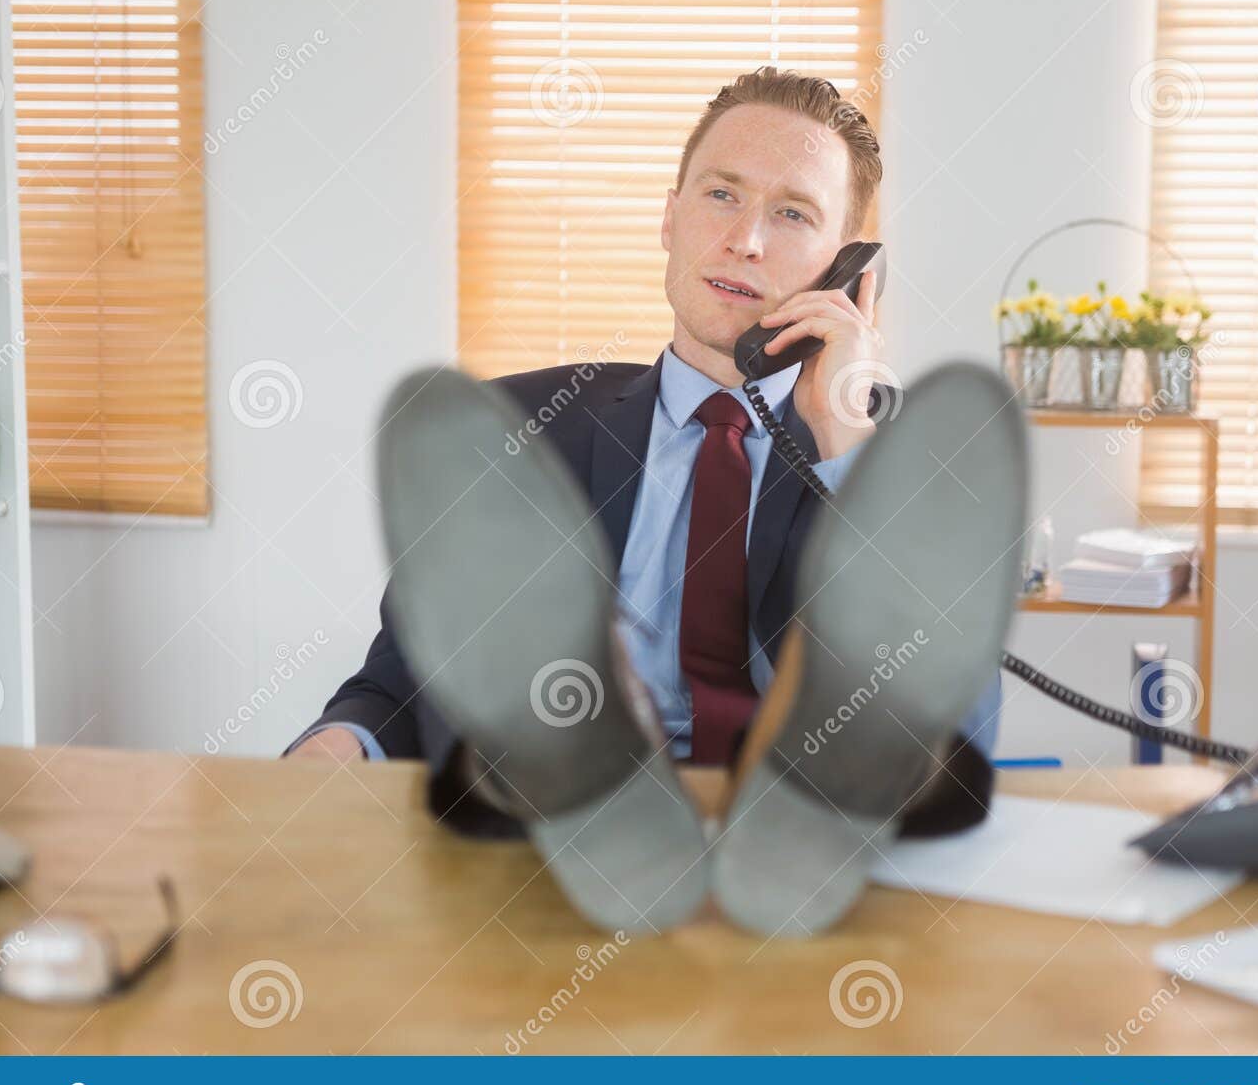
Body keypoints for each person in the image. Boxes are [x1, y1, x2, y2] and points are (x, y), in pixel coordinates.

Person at [286, 67, 1028, 938]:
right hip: (536, 849)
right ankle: (599, 752)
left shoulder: (893, 461)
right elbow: (400, 684)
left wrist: (847, 452)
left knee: (884, 715)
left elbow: (962, 733)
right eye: (722, 194)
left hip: (801, 831)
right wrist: (335, 750)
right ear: (671, 218)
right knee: (529, 733)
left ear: (850, 271)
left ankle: (787, 775)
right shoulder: (522, 429)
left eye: (793, 213)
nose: (746, 239)